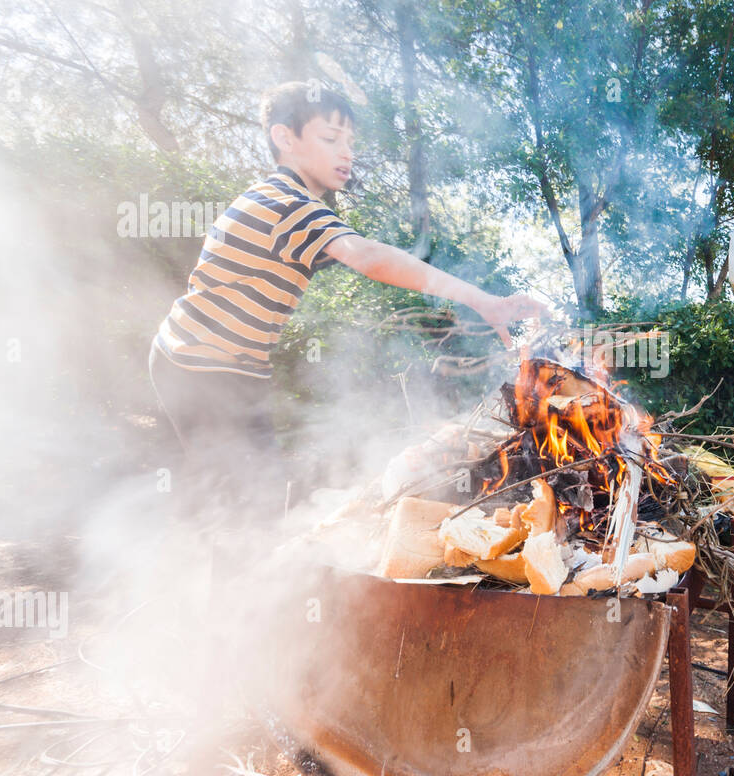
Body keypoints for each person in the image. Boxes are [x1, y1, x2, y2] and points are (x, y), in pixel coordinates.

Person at [150, 82, 546, 525]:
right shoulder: (286, 203)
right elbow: (370, 257)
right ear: (285, 138)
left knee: (251, 498)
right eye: (330, 139)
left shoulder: (287, 203)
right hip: (203, 366)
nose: (347, 153)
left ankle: (223, 570)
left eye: (350, 143)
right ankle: (229, 582)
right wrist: (483, 300)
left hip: (227, 368)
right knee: (247, 507)